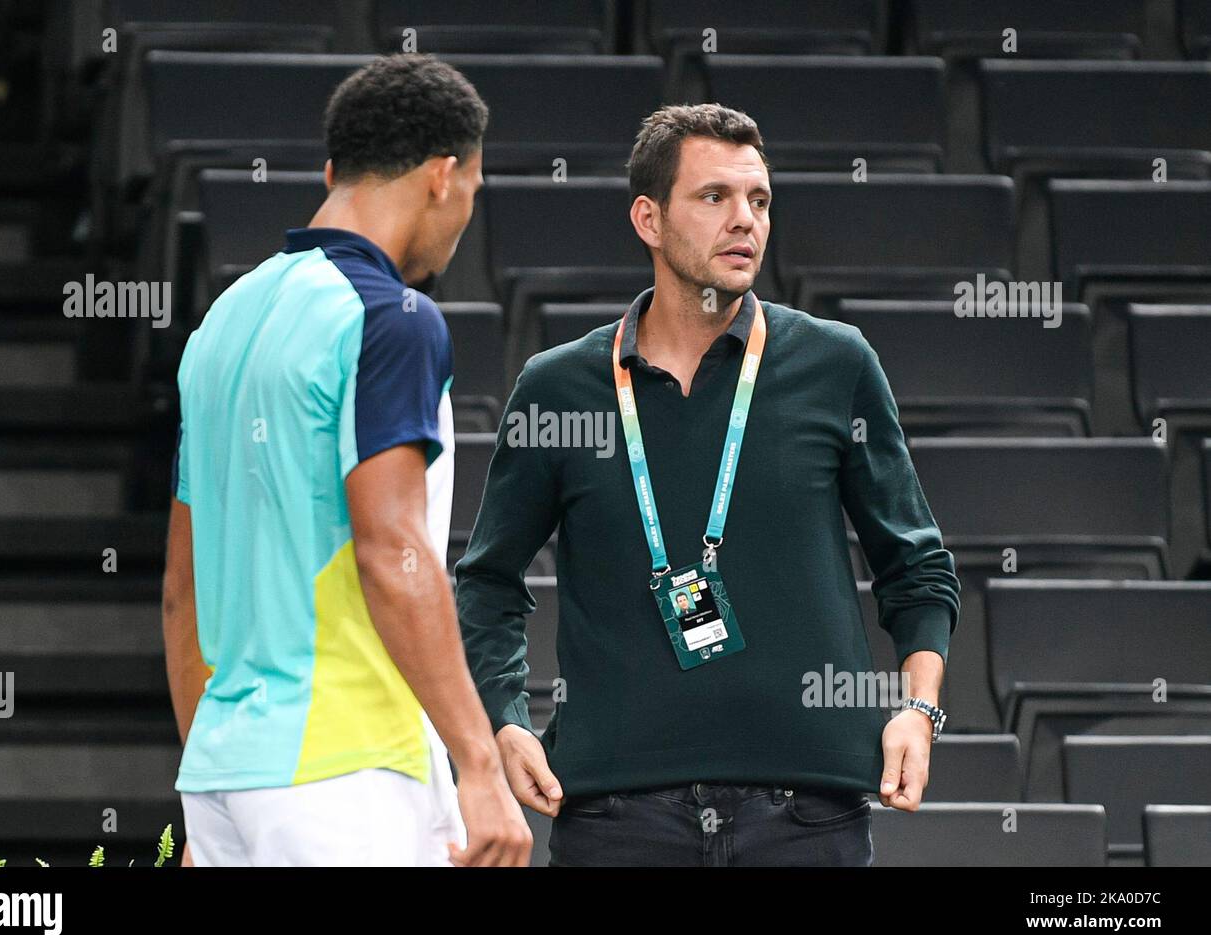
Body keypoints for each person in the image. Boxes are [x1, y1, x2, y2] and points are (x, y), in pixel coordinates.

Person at [455, 104, 961, 866]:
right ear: (648, 219)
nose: (745, 222)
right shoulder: (557, 388)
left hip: (807, 816)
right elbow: (488, 582)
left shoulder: (837, 364)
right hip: (616, 820)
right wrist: (503, 720)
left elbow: (917, 567)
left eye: (759, 201)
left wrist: (918, 710)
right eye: (714, 197)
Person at [162, 54, 531, 867]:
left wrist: (216, 793)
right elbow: (392, 551)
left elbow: (182, 592)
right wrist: (477, 763)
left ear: (335, 172)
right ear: (443, 177)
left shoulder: (222, 322)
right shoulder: (395, 320)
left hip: (226, 773)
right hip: (351, 775)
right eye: (473, 186)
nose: (467, 209)